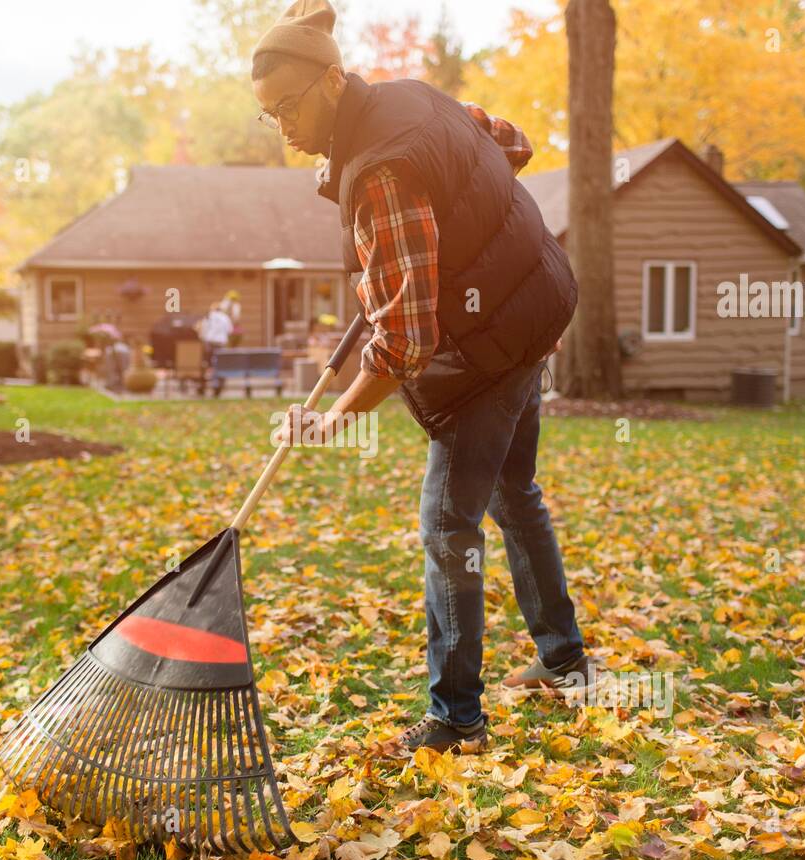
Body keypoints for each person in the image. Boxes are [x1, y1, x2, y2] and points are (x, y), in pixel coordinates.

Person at [253, 0, 589, 756]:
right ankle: (565, 660)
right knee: (512, 489)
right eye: (267, 116)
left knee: (447, 527)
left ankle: (456, 717)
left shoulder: (379, 175)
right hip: (537, 302)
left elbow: (406, 340)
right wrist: (462, 184)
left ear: (334, 82)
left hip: (495, 342)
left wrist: (331, 417)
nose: (282, 129)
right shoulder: (417, 97)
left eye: (287, 107)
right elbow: (514, 142)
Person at [200, 301, 233, 365]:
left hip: (210, 340)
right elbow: (230, 330)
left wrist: (203, 338)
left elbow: (204, 328)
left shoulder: (209, 316)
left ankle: (209, 369)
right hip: (221, 341)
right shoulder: (225, 317)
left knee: (208, 358)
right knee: (220, 358)